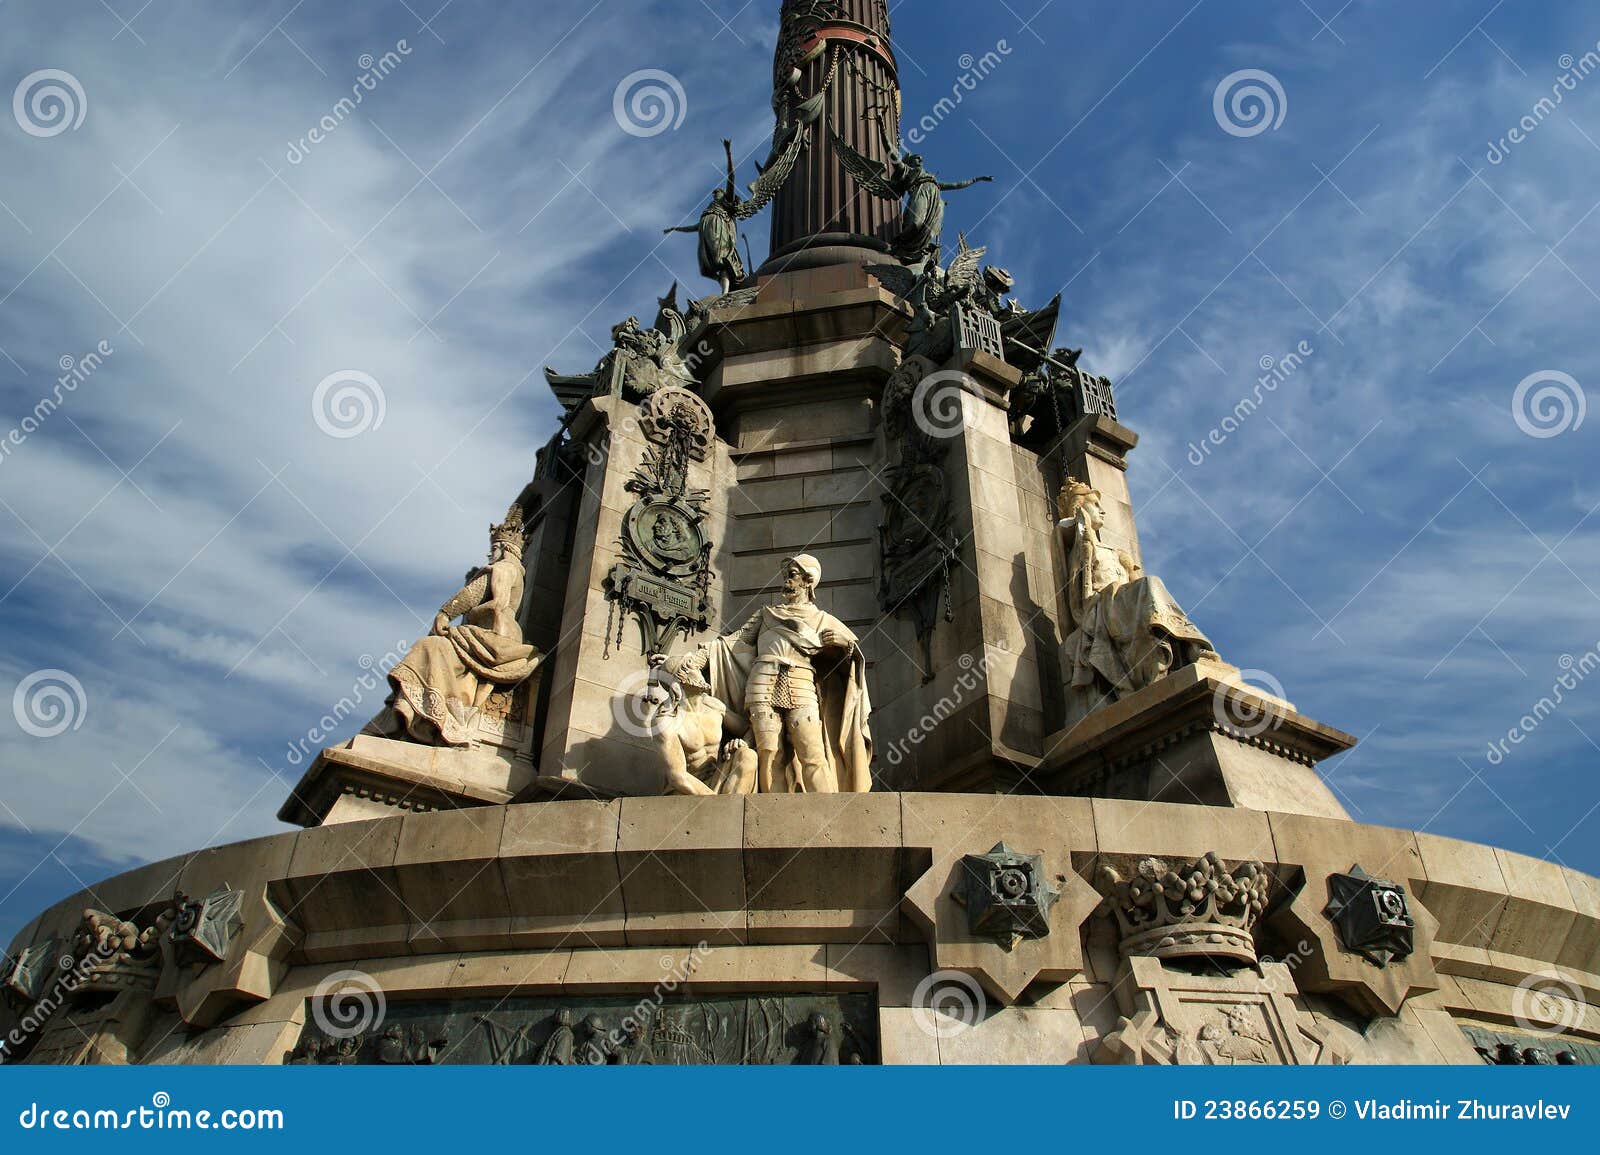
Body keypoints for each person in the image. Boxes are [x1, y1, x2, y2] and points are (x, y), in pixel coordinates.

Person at [685, 554, 873, 794]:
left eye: (792, 575)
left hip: (800, 683)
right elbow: (729, 645)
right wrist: (687, 662)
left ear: (808, 581)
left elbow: (851, 659)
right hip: (762, 684)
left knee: (812, 753)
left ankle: (828, 808)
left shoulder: (823, 619)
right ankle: (772, 807)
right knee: (770, 753)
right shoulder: (765, 615)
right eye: (786, 575)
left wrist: (844, 644)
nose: (786, 580)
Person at [366, 506, 542, 746]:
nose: (490, 555)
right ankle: (411, 713)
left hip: (493, 639)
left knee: (429, 646)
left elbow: (481, 598)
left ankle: (418, 716)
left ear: (504, 549)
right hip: (493, 637)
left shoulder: (501, 569)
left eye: (494, 549)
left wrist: (446, 613)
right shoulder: (516, 572)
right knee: (434, 647)